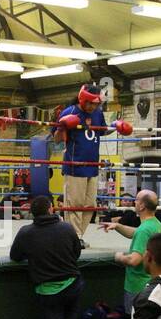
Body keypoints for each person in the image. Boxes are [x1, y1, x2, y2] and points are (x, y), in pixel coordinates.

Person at [9, 195, 84, 319]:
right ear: (51, 209)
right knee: (78, 285)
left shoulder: (26, 233)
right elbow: (76, 253)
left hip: (48, 293)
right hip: (72, 285)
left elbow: (15, 256)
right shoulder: (67, 228)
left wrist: (34, 251)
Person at [57, 84, 121, 245]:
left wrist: (116, 126)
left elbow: (101, 131)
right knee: (74, 205)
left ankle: (77, 236)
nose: (93, 106)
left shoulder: (98, 114)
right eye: (91, 103)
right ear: (83, 99)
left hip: (92, 166)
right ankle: (74, 237)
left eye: (96, 103)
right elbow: (56, 138)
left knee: (90, 205)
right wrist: (63, 126)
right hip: (74, 166)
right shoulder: (69, 112)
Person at [99, 191, 161, 314]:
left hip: (137, 286)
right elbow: (137, 232)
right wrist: (117, 226)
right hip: (149, 283)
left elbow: (133, 260)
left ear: (142, 206)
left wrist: (118, 257)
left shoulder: (144, 229)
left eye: (137, 199)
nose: (134, 202)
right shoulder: (155, 223)